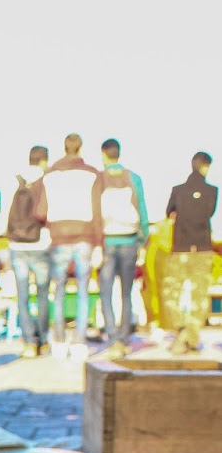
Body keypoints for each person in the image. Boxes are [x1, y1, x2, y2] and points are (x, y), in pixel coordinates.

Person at [38, 133, 101, 360]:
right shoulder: (92, 174)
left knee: (60, 291)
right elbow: (97, 211)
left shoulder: (51, 175)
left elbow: (41, 211)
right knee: (83, 290)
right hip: (85, 235)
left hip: (59, 236)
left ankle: (60, 339)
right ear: (80, 148)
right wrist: (99, 242)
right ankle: (79, 342)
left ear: (64, 147)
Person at [93, 139, 148, 358]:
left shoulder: (99, 180)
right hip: (129, 240)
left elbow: (95, 213)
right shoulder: (133, 178)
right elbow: (142, 210)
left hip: (107, 242)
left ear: (104, 155)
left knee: (105, 292)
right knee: (126, 292)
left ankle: (113, 337)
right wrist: (142, 239)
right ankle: (124, 338)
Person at [161, 151, 217, 350]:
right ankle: (191, 337)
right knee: (199, 296)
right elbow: (208, 213)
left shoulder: (178, 190)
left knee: (171, 292)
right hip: (202, 248)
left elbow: (169, 212)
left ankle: (181, 327)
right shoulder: (212, 191)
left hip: (181, 248)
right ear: (206, 167)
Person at [6, 145, 52, 358]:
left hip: (17, 246)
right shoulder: (47, 181)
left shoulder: (16, 180)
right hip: (41, 244)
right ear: (44, 160)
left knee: (22, 296)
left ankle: (28, 343)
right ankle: (43, 340)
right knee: (42, 295)